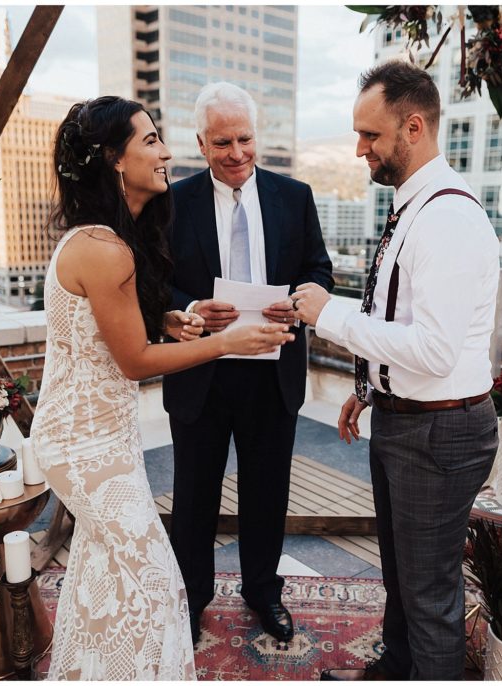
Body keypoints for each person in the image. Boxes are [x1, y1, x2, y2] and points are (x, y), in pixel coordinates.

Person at [31, 96, 295, 680]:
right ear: (113, 159)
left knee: (102, 575)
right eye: (150, 141)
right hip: (83, 444)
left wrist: (171, 318)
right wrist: (226, 342)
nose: (165, 153)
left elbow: (113, 328)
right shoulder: (103, 249)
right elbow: (134, 361)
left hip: (104, 436)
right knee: (156, 585)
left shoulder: (106, 239)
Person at [291, 61, 501, 681]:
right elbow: (396, 316)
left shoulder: (446, 219)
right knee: (403, 577)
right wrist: (370, 387)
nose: (359, 150)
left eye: (370, 135)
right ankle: (396, 667)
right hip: (407, 419)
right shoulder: (414, 207)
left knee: (430, 595)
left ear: (414, 127)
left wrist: (328, 315)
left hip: (438, 433)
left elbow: (435, 351)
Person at [164, 82, 333, 645]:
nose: (236, 153)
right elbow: (152, 284)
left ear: (257, 136)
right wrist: (191, 307)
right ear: (200, 144)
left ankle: (264, 592)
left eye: (244, 138)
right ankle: (192, 598)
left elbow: (320, 270)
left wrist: (300, 301)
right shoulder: (173, 202)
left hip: (272, 372)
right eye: (222, 143)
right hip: (201, 372)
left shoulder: (295, 195)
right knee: (194, 498)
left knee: (267, 494)